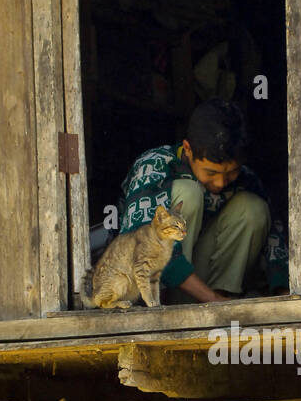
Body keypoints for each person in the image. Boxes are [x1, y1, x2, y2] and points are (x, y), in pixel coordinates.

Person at [112, 99, 289, 303]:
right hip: (150, 291)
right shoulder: (154, 166)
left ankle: (223, 304)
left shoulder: (246, 180)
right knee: (189, 193)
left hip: (205, 294)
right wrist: (211, 299)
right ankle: (198, 304)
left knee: (253, 208)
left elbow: (274, 245)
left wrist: (286, 295)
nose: (220, 182)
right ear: (187, 149)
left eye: (231, 172)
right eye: (210, 172)